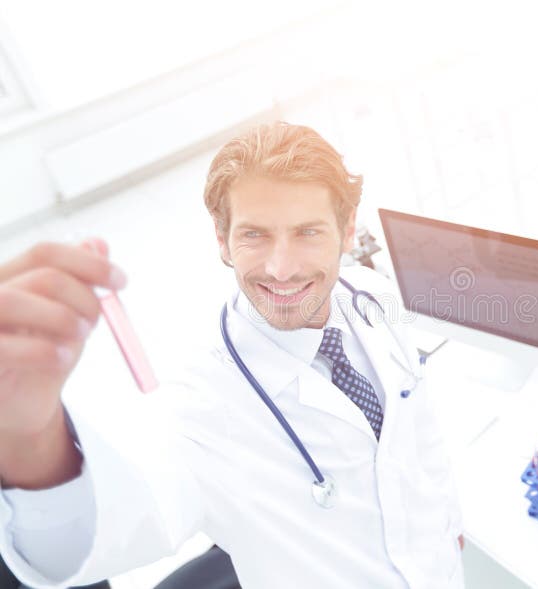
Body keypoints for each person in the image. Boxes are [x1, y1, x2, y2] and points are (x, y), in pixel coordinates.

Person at [0, 122, 464, 588]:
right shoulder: (200, 401)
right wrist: (29, 436)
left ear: (347, 232)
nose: (281, 268)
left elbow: (419, 432)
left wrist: (447, 521)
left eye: (307, 232)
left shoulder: (374, 297)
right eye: (254, 236)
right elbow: (80, 544)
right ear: (222, 241)